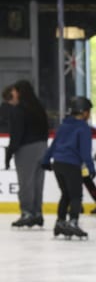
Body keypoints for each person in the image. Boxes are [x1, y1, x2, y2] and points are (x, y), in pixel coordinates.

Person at [39, 96, 95, 240]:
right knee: (76, 195)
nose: (89, 115)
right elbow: (85, 151)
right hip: (71, 165)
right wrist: (91, 167)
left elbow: (54, 145)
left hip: (58, 164)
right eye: (89, 111)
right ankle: (73, 222)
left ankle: (60, 222)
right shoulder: (83, 128)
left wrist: (46, 160)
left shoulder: (64, 125)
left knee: (66, 194)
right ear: (83, 112)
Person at [7, 80, 50, 228]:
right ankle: (37, 213)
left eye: (14, 90)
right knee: (38, 182)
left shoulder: (19, 109)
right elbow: (46, 128)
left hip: (26, 148)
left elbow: (16, 133)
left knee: (26, 182)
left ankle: (27, 213)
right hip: (42, 147)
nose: (12, 93)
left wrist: (10, 152)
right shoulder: (39, 107)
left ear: (19, 92)